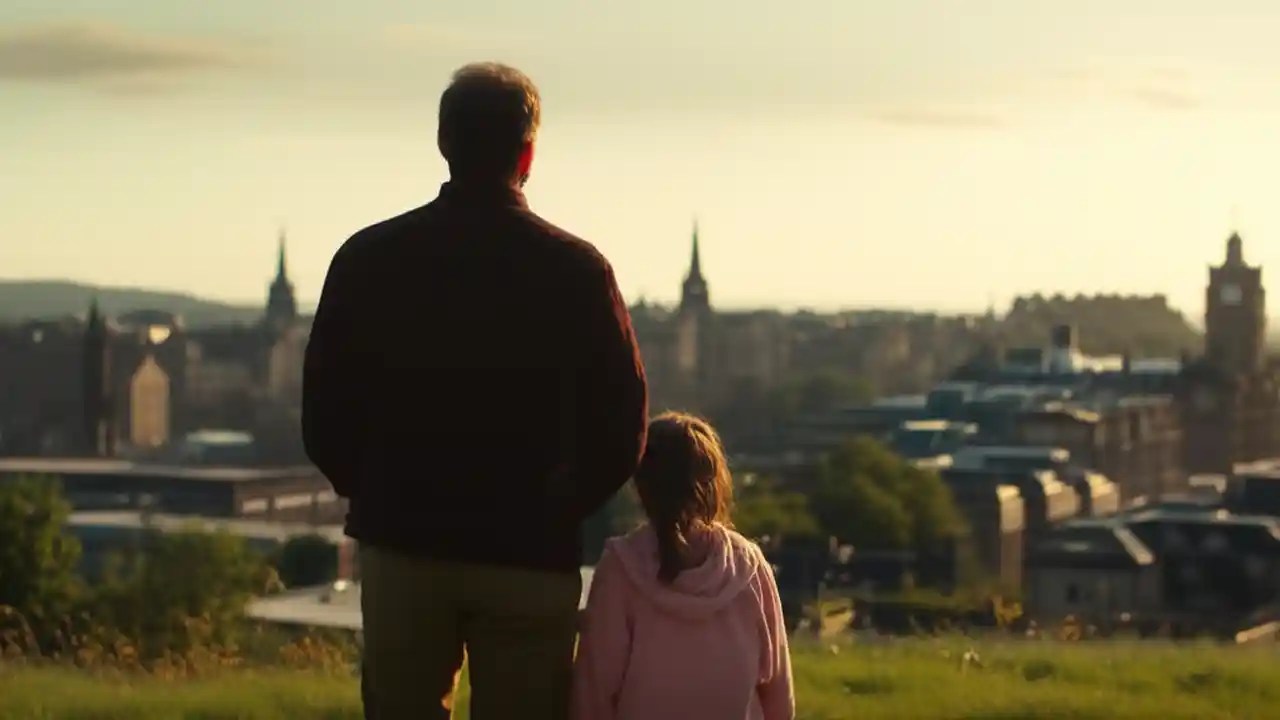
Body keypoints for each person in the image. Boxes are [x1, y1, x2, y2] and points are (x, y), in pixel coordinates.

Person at [301, 62, 649, 720]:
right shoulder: (576, 270)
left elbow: (323, 411)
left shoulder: (369, 258)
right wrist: (562, 504)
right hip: (528, 552)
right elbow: (623, 423)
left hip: (403, 541)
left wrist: (374, 487)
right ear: (529, 152)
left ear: (443, 141)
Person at [572, 412, 795, 720]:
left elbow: (593, 695)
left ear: (642, 486)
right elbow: (778, 698)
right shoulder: (750, 567)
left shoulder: (621, 568)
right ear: (714, 483)